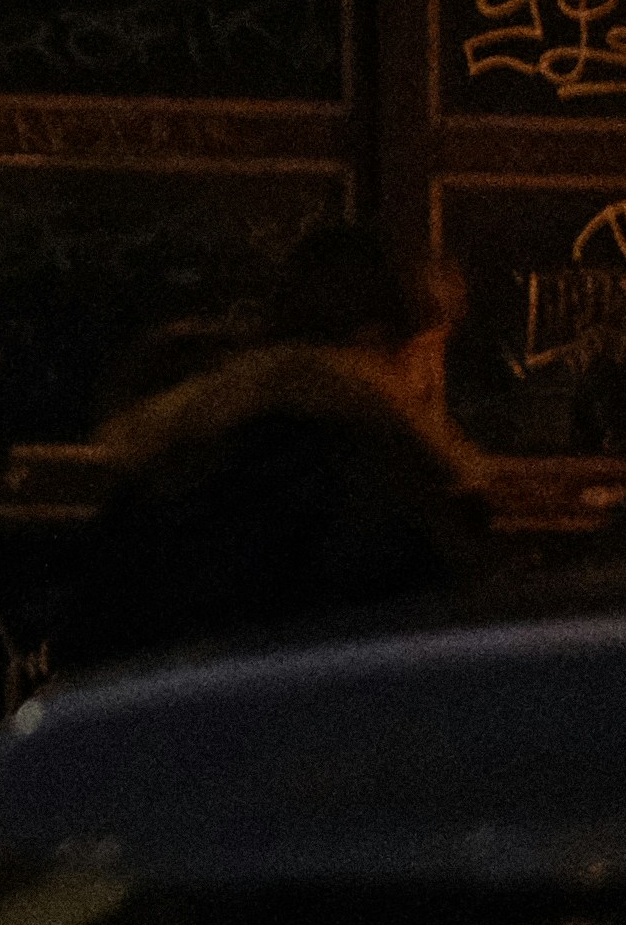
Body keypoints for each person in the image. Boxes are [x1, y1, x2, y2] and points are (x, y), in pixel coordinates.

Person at [54, 224, 493, 675]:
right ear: (376, 344)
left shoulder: (176, 466)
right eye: (433, 349)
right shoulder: (391, 492)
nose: (435, 379)